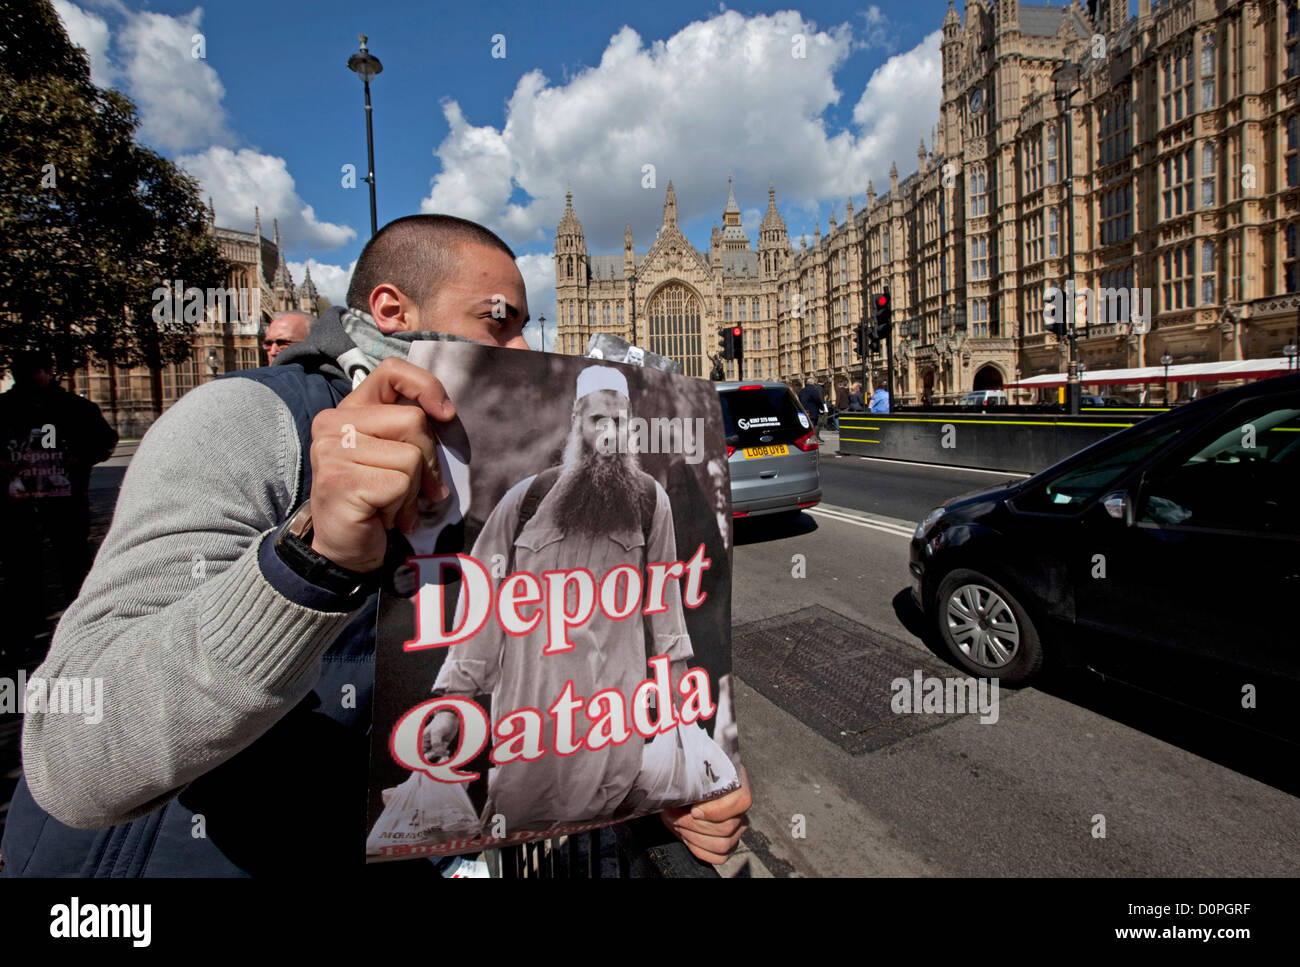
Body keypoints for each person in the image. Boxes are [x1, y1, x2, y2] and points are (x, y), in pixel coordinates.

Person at [4, 214, 750, 877]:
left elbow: (527, 667)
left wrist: (667, 780)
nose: (527, 348)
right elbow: (73, 760)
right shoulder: (243, 421)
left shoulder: (515, 482)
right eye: (500, 321)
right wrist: (312, 558)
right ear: (393, 311)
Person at [421, 365, 734, 833]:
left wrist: (682, 711)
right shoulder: (526, 501)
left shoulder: (651, 504)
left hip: (616, 737)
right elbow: (480, 611)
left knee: (613, 841)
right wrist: (453, 705)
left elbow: (666, 619)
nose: (608, 433)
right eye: (597, 421)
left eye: (618, 422)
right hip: (532, 734)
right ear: (576, 421)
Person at [0, 351, 118, 661]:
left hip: (65, 504)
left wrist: (80, 458)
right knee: (20, 570)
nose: (25, 379)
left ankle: (84, 631)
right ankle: (24, 634)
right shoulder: (4, 409)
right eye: (19, 372)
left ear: (48, 372)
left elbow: (105, 440)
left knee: (74, 566)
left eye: (32, 372)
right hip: (17, 507)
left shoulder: (74, 409)